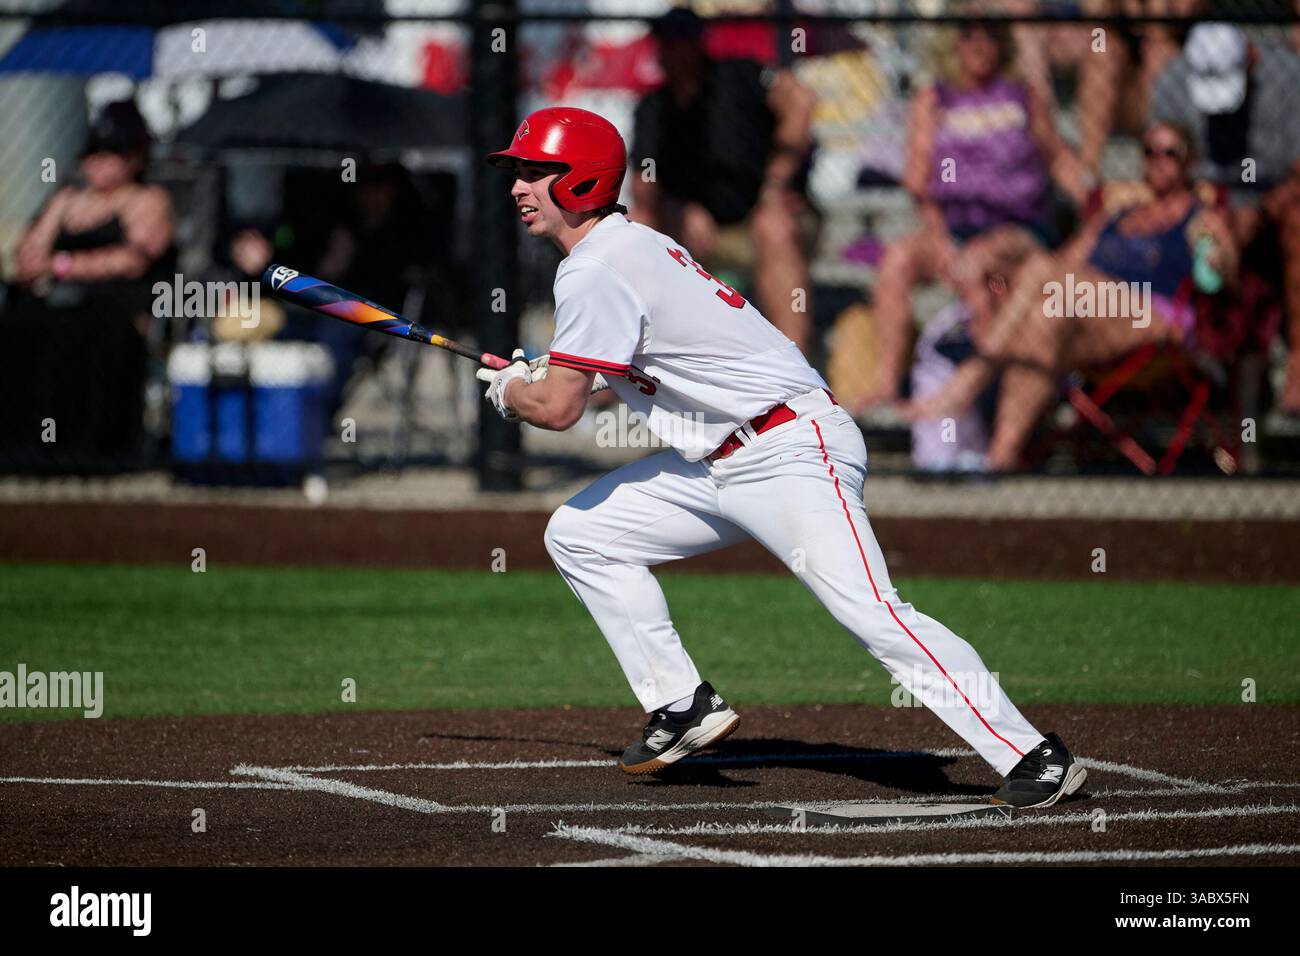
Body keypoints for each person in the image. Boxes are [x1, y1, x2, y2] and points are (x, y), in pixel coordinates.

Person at [477, 106, 1087, 809]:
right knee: (581, 534)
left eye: (533, 172)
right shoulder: (626, 248)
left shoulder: (595, 269)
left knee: (872, 615)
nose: (519, 187)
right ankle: (682, 704)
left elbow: (559, 409)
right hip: (721, 461)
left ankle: (1034, 752)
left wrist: (515, 393)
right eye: (517, 173)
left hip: (791, 449)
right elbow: (637, 373)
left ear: (580, 181)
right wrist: (546, 374)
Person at [907, 121, 1238, 470]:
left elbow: (1224, 273)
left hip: (1153, 316)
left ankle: (969, 380)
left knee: (1037, 271)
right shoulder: (1117, 216)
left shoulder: (1198, 216)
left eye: (1170, 153)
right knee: (1041, 324)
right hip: (1095, 315)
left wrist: (1219, 253)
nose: (1157, 161)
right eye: (1149, 152)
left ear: (1189, 163)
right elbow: (1064, 263)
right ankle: (999, 460)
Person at [859, 19, 1088, 413]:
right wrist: (942, 239)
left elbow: (1058, 157)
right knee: (897, 259)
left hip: (1017, 226)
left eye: (991, 35)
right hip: (954, 224)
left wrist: (1095, 199)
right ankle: (888, 384)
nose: (980, 43)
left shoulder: (1022, 96)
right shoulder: (935, 98)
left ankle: (976, 398)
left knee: (981, 265)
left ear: (1003, 45)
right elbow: (918, 180)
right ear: (955, 43)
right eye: (970, 34)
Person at [629, 7, 818, 353]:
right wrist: (679, 208)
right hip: (695, 227)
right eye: (664, 43)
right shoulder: (653, 108)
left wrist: (776, 183)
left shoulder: (738, 76)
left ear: (697, 44)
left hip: (760, 215)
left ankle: (794, 365)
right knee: (638, 226)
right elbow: (644, 186)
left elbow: (801, 101)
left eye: (678, 42)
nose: (670, 52)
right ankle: (637, 355)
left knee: (773, 226)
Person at [1150, 21, 1300, 414]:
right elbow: (1159, 170)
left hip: (1277, 206)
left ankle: (1291, 361)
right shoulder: (1174, 80)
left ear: (1251, 60)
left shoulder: (1288, 78)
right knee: (1210, 243)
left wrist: (1260, 212)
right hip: (1203, 205)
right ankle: (1220, 377)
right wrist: (1210, 213)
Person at [15, 101, 173, 293]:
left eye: (110, 155)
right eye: (92, 154)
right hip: (54, 303)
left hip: (114, 304)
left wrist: (61, 265)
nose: (98, 163)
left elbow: (132, 261)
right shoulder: (67, 199)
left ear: (135, 158)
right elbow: (29, 254)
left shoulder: (146, 199)